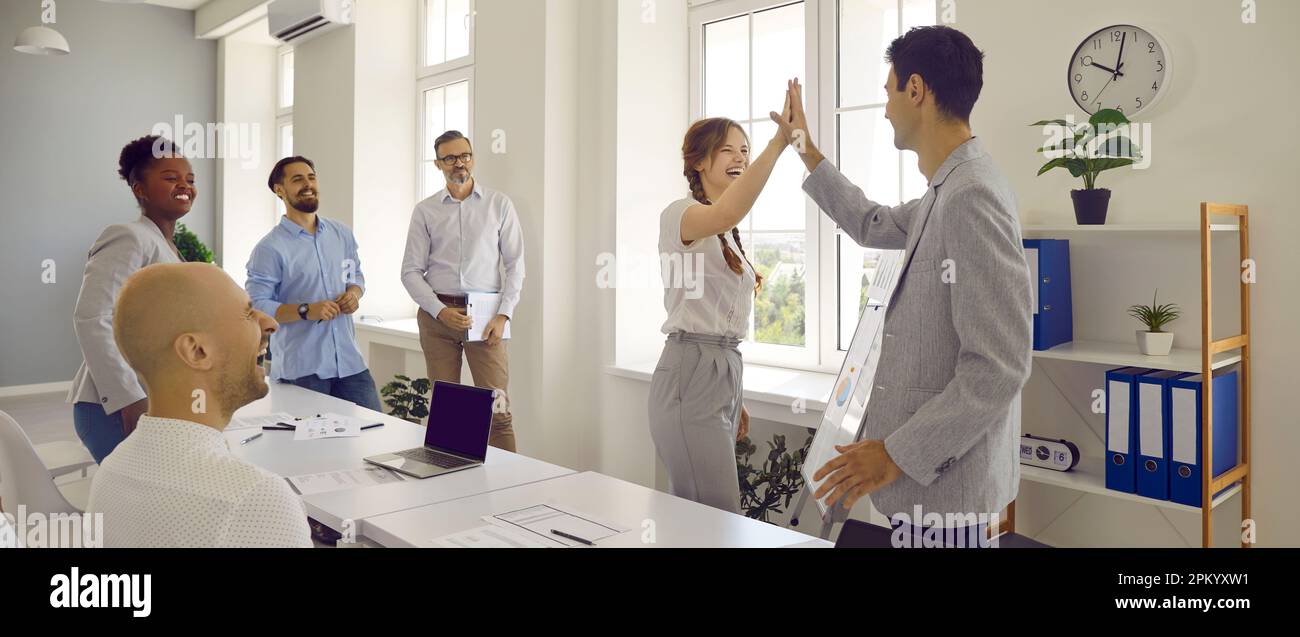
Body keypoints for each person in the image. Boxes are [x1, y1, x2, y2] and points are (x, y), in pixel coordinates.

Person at [771, 26, 1033, 542]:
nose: (887, 107)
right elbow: (871, 223)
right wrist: (804, 148)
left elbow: (999, 366)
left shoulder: (970, 195)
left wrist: (895, 453)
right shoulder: (948, 188)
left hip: (947, 492)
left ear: (916, 90)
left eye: (889, 91)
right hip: (929, 490)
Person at [86, 263, 313, 548]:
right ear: (196, 351)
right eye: (247, 313)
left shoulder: (109, 473)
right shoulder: (255, 498)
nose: (270, 322)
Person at [647, 95, 795, 514]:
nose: (740, 157)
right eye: (728, 149)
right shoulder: (681, 214)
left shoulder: (726, 232)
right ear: (698, 162)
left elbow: (722, 326)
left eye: (745, 149)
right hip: (688, 372)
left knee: (700, 517)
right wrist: (777, 144)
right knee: (718, 515)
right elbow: (732, 209)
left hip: (717, 373)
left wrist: (732, 392)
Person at [68, 136, 191, 463]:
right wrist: (129, 400)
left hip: (154, 397)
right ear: (140, 188)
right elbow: (93, 318)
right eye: (170, 177)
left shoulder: (168, 247)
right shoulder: (128, 236)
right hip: (115, 408)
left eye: (189, 179)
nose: (184, 185)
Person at [401, 131, 524, 452]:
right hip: (437, 316)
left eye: (465, 155)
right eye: (451, 158)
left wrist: (504, 315)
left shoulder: (499, 204)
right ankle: (451, 489)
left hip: (487, 318)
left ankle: (510, 489)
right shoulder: (426, 211)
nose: (460, 163)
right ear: (438, 163)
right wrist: (439, 311)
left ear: (473, 157)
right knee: (448, 411)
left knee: (498, 411)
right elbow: (410, 272)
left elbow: (515, 266)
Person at [245, 156, 382, 411]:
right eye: (297, 179)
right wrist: (306, 310)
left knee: (374, 436)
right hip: (303, 370)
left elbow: (356, 276)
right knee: (309, 449)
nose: (308, 184)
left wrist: (354, 293)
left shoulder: (341, 234)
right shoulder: (269, 248)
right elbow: (257, 307)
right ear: (280, 190)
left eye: (311, 177)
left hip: (350, 363)